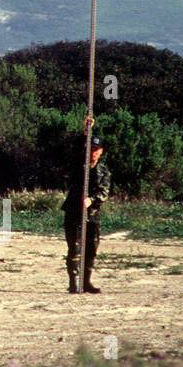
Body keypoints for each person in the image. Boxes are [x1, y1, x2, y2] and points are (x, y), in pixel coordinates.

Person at [62, 120, 111, 294]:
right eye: (90, 149)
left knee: (91, 248)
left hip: (92, 214)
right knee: (74, 248)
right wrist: (85, 131)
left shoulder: (104, 171)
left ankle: (86, 282)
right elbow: (75, 150)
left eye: (96, 150)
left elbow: (104, 192)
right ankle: (73, 282)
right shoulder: (79, 166)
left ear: (101, 152)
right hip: (74, 212)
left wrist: (92, 199)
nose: (93, 152)